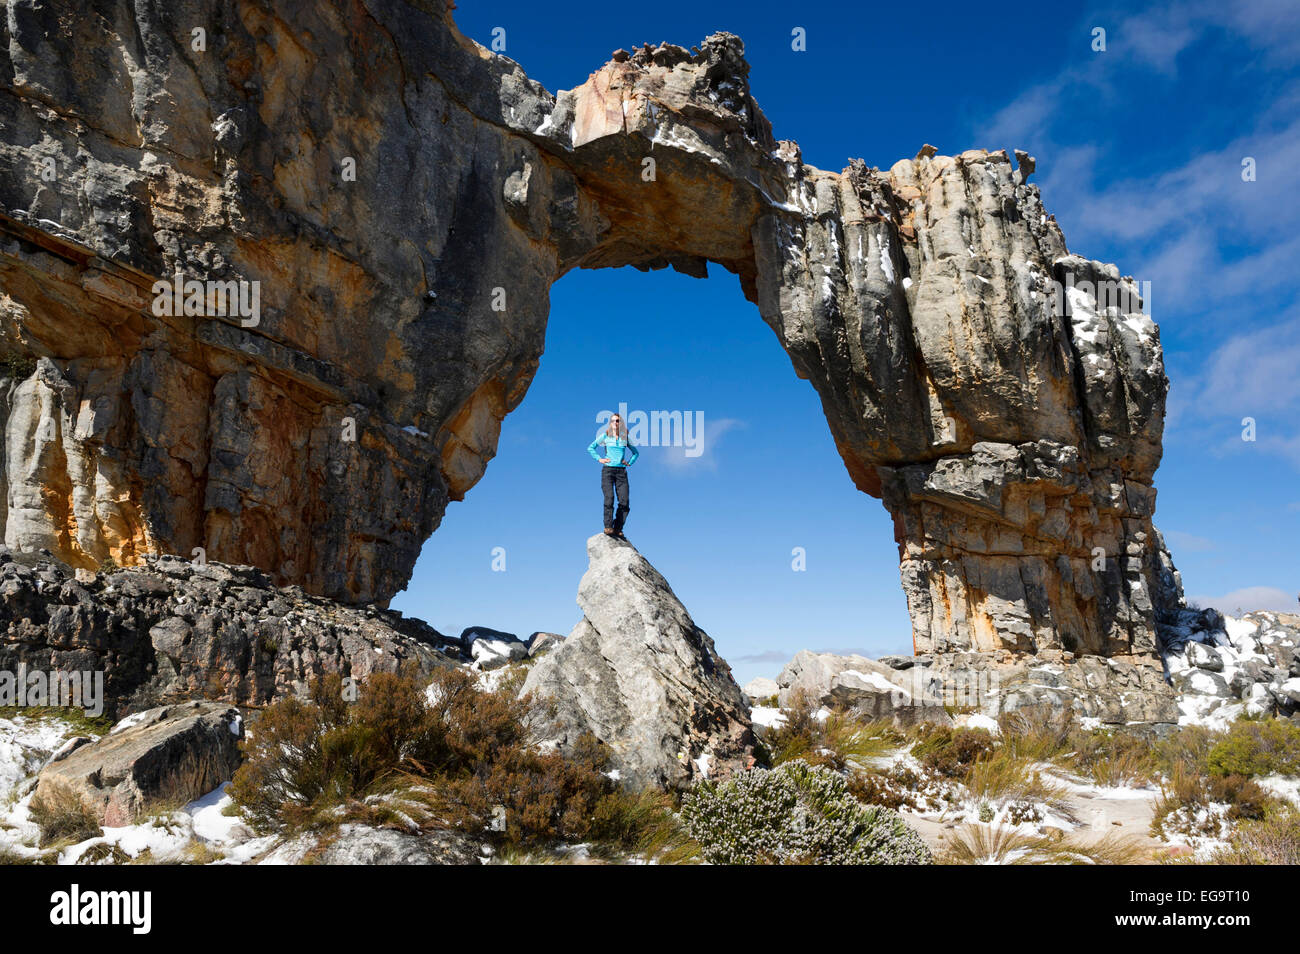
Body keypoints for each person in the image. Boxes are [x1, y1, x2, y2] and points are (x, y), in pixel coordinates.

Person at [587, 413, 638, 538]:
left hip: (621, 472)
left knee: (624, 502)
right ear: (610, 423)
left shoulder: (624, 438)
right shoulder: (605, 436)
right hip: (608, 471)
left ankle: (618, 528)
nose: (616, 423)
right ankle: (608, 527)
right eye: (614, 421)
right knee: (609, 498)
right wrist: (600, 459)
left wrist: (629, 462)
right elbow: (591, 448)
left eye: (618, 421)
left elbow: (636, 453)